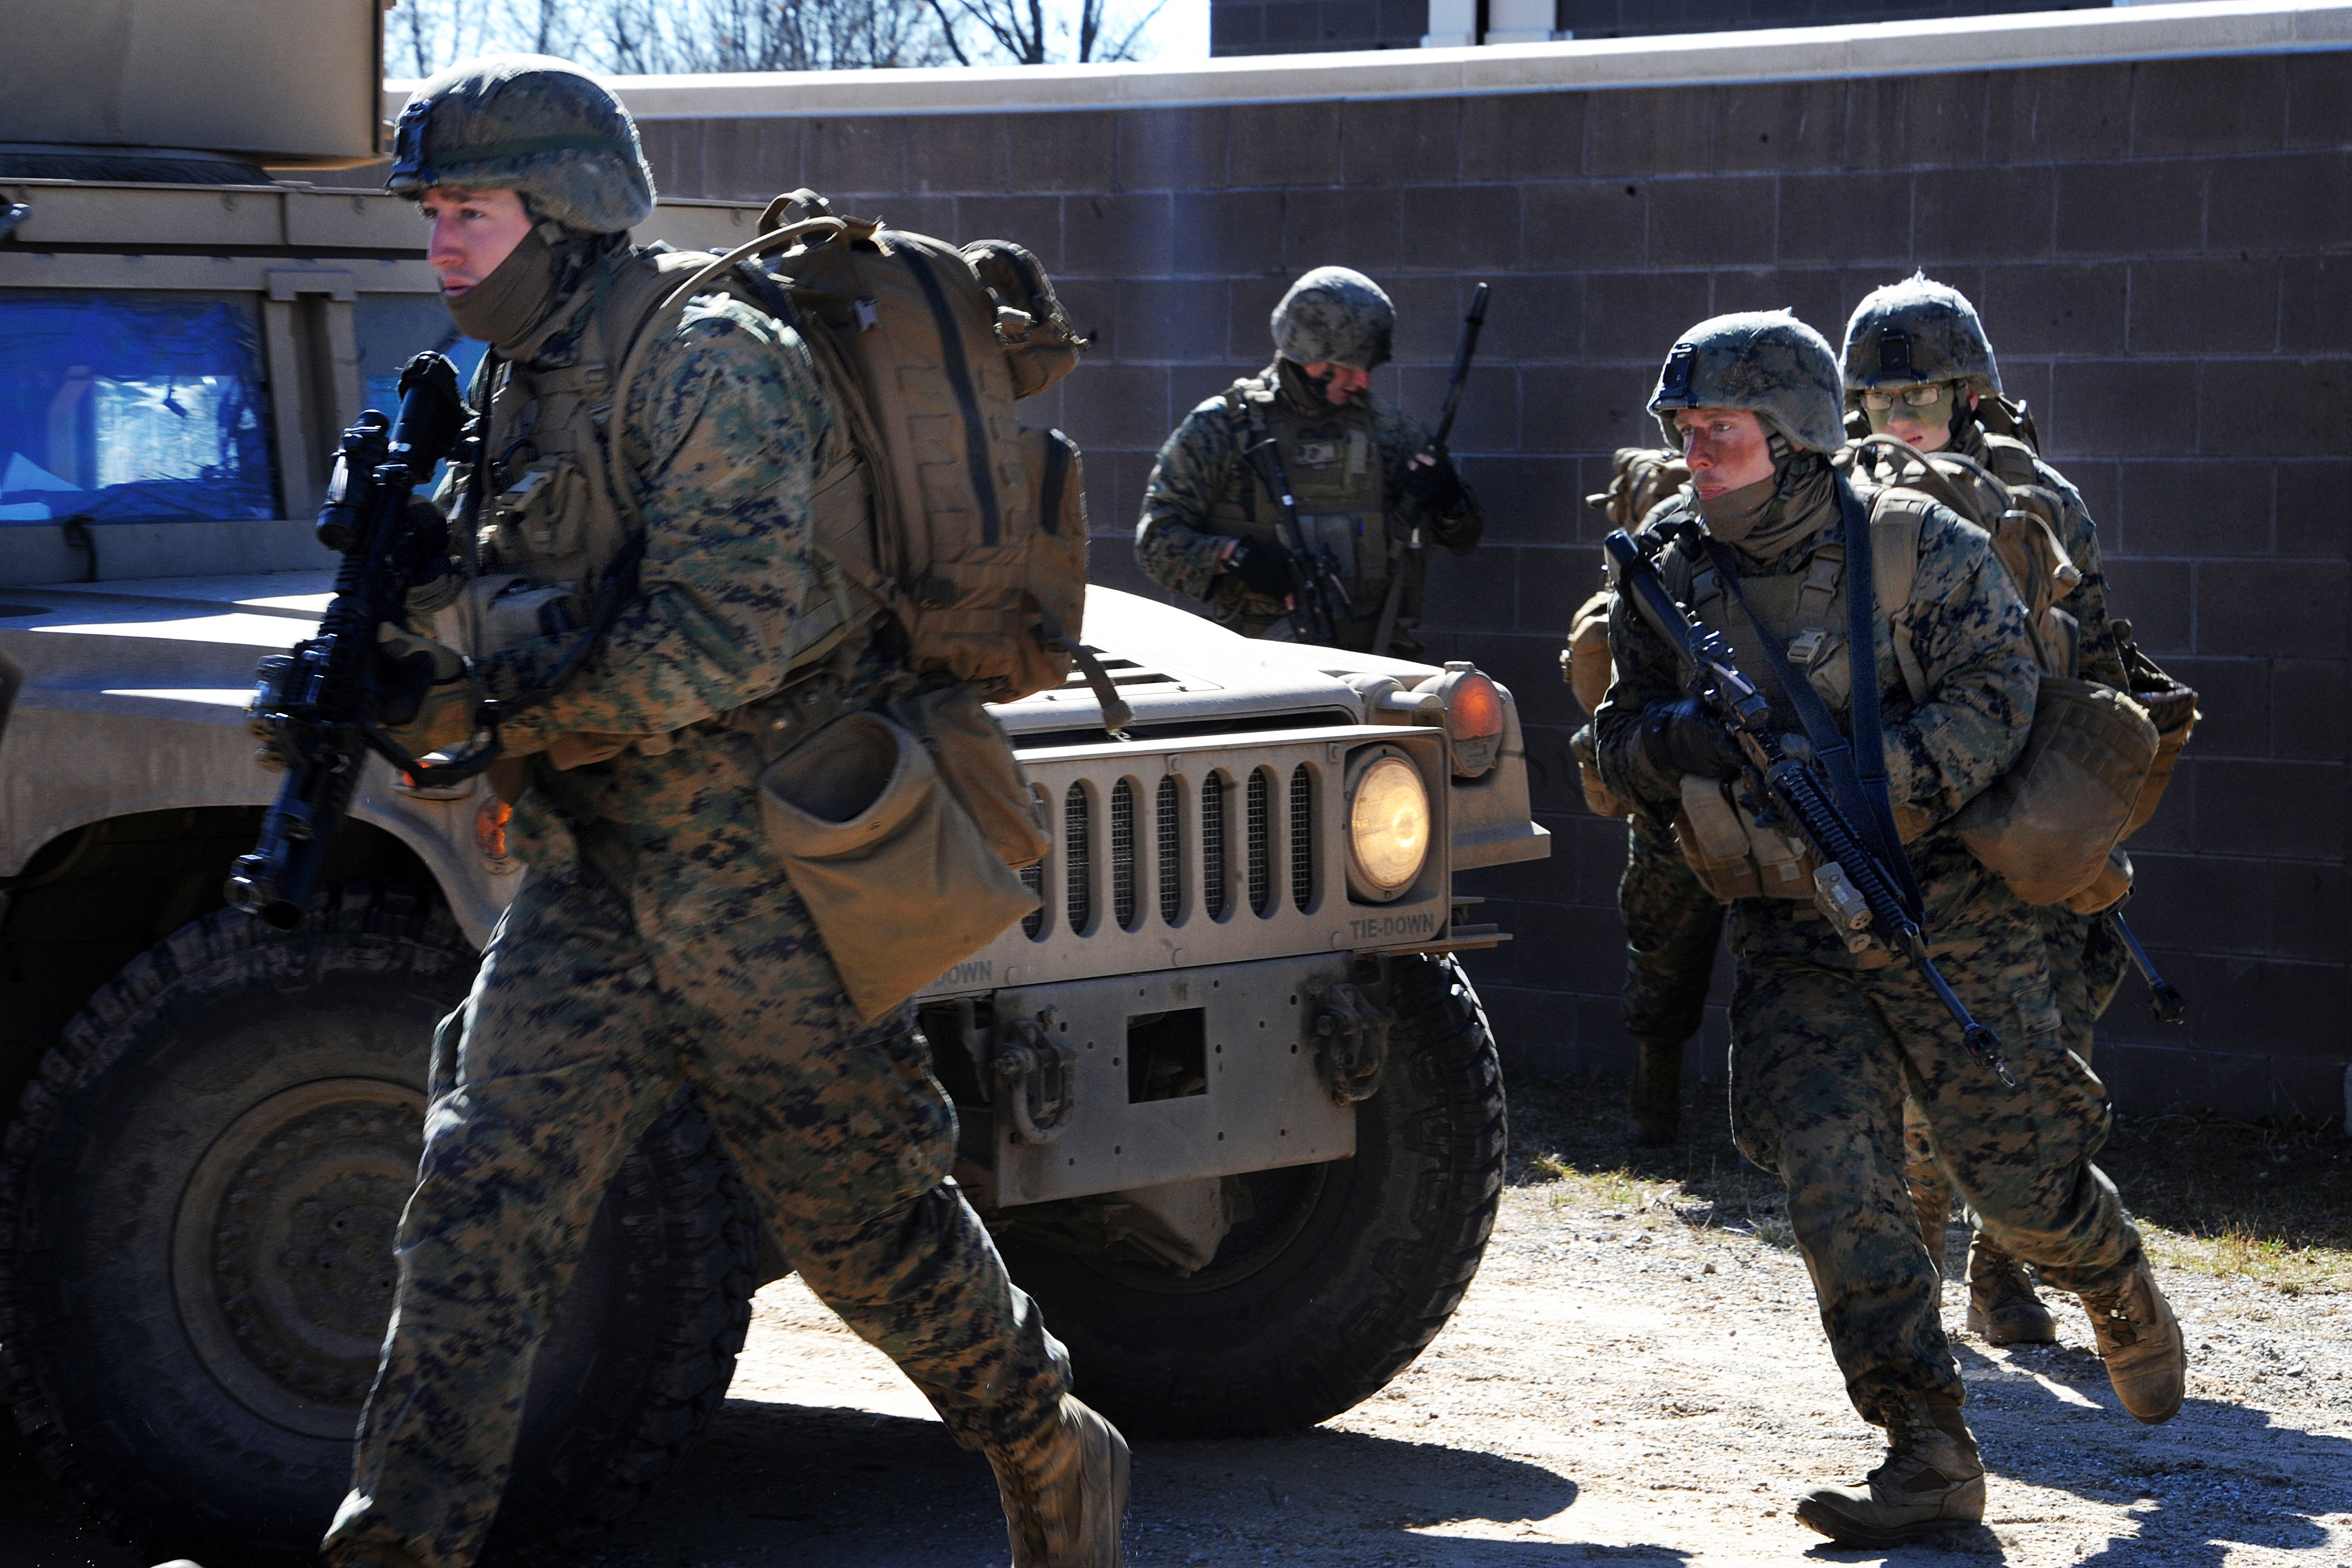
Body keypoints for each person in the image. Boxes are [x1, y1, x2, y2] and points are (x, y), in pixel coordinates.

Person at [164, 54, 1127, 1568]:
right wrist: (392, 661)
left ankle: (1044, 1440)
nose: (440, 247)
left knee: (862, 1232)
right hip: (597, 867)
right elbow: (526, 595)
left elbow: (721, 639)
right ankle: (399, 1543)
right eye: (432, 215)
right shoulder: (518, 371)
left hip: (774, 875)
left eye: (467, 212)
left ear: (566, 208)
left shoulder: (712, 357)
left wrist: (497, 713)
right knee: (482, 1189)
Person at [1592, 311, 2185, 1546]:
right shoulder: (1662, 569)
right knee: (1834, 1175)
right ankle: (1926, 1447)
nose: (1695, 452)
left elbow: (2003, 694)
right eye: (1686, 431)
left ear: (1798, 438)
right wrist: (1680, 747)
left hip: (1944, 907)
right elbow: (1616, 740)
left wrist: (1881, 785)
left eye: (1722, 432)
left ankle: (2106, 1270)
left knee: (2016, 1182)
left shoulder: (1921, 546)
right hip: (1794, 926)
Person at [1841, 273, 2133, 1349]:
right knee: (1937, 1043)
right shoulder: (1839, 501)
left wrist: (2106, 784)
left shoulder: (2042, 499)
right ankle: (1922, 1261)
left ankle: (2003, 1274)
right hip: (1917, 806)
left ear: (1970, 396)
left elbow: (2097, 649)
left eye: (1921, 399)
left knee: (2057, 1025)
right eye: (1881, 403)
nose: (1901, 421)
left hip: (2030, 801)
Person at [1133, 267, 1482, 657]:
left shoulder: (1389, 432)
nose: (1361, 381)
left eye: (1367, 367)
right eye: (1348, 364)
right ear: (1307, 351)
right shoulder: (1223, 429)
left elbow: (1466, 536)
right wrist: (1236, 556)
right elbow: (1155, 543)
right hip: (1262, 664)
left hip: (1375, 659)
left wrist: (1449, 502)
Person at [1572, 451, 1722, 1146]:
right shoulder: (1665, 546)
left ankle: (1654, 1106)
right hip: (1674, 775)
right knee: (1666, 940)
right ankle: (1653, 1102)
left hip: (1688, 784)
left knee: (1665, 942)